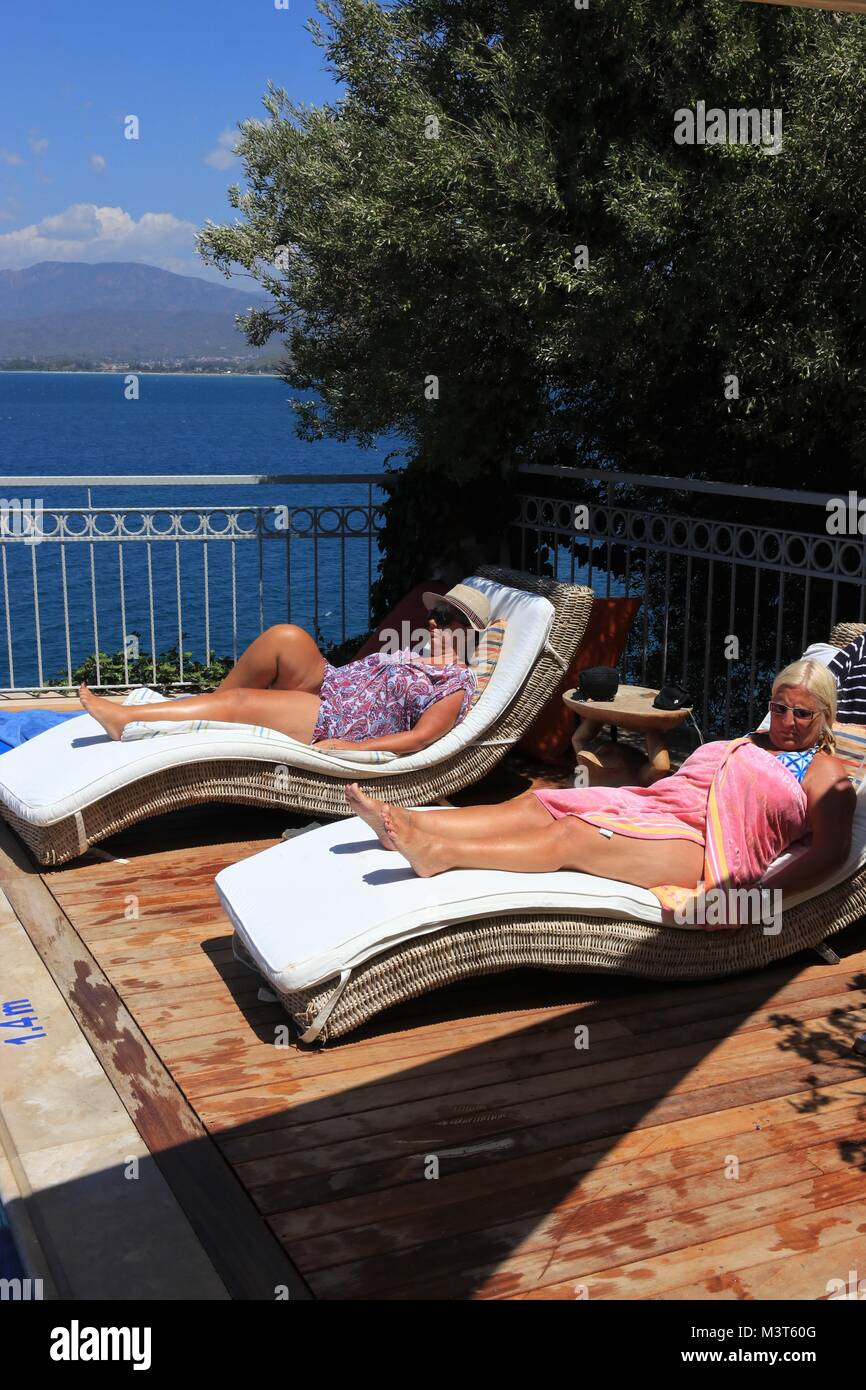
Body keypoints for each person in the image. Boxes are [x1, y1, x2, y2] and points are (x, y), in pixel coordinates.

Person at [346, 659, 855, 900]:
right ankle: (410, 823)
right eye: (779, 708)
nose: (787, 721)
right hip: (662, 808)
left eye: (802, 714)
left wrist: (756, 900)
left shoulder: (824, 771)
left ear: (825, 717)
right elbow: (687, 783)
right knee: (542, 800)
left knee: (573, 834)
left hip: (703, 848)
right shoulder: (751, 743)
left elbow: (830, 854)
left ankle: (440, 853)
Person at [78, 584, 489, 752]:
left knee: (242, 700)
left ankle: (127, 718)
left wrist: (354, 748)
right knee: (285, 635)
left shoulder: (454, 683)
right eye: (435, 612)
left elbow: (421, 738)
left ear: (469, 633)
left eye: (446, 617)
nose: (433, 621)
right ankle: (208, 717)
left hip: (336, 719)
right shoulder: (418, 651)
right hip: (330, 683)